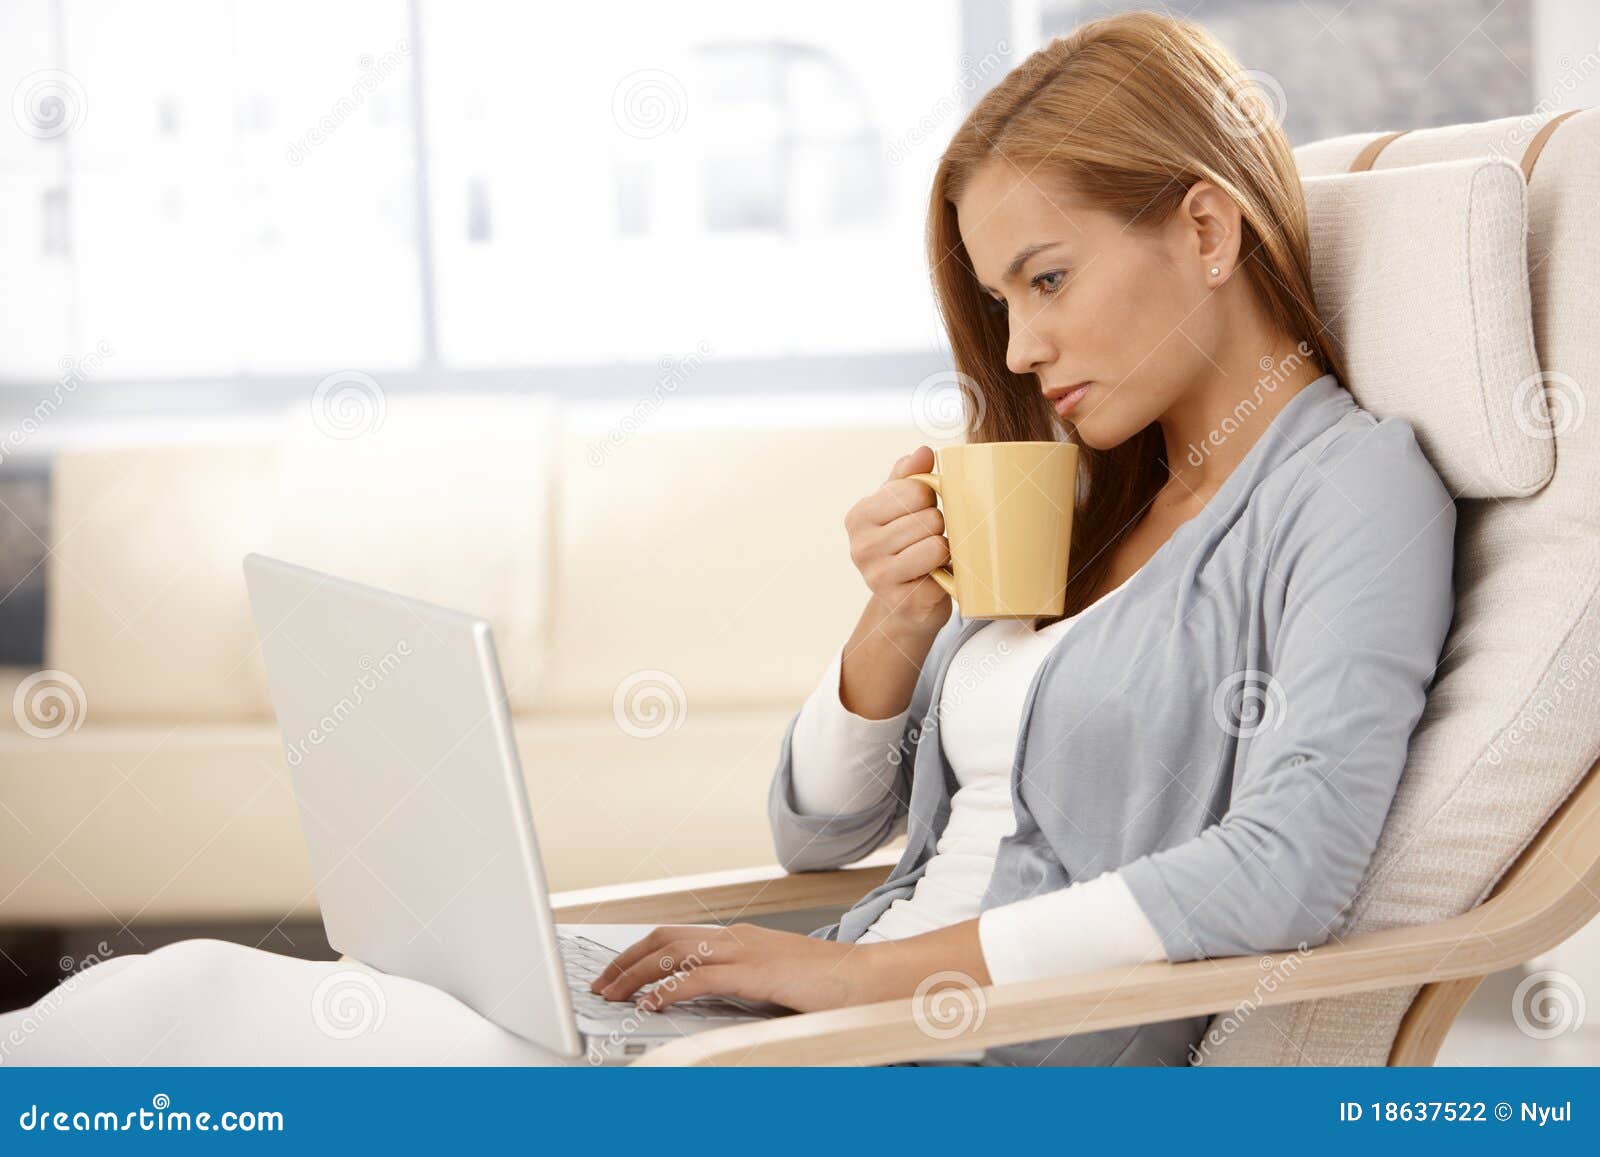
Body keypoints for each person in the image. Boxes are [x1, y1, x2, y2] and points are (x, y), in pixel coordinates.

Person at [0, 9, 1455, 1066]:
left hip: (977, 1058)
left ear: (1206, 230)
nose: (1019, 346)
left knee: (198, 1030)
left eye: (1048, 278)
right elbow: (814, 831)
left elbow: (1282, 867)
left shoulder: (1352, 490)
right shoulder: (1087, 485)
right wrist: (890, 630)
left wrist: (871, 982)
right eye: (998, 299)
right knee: (173, 998)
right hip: (857, 1010)